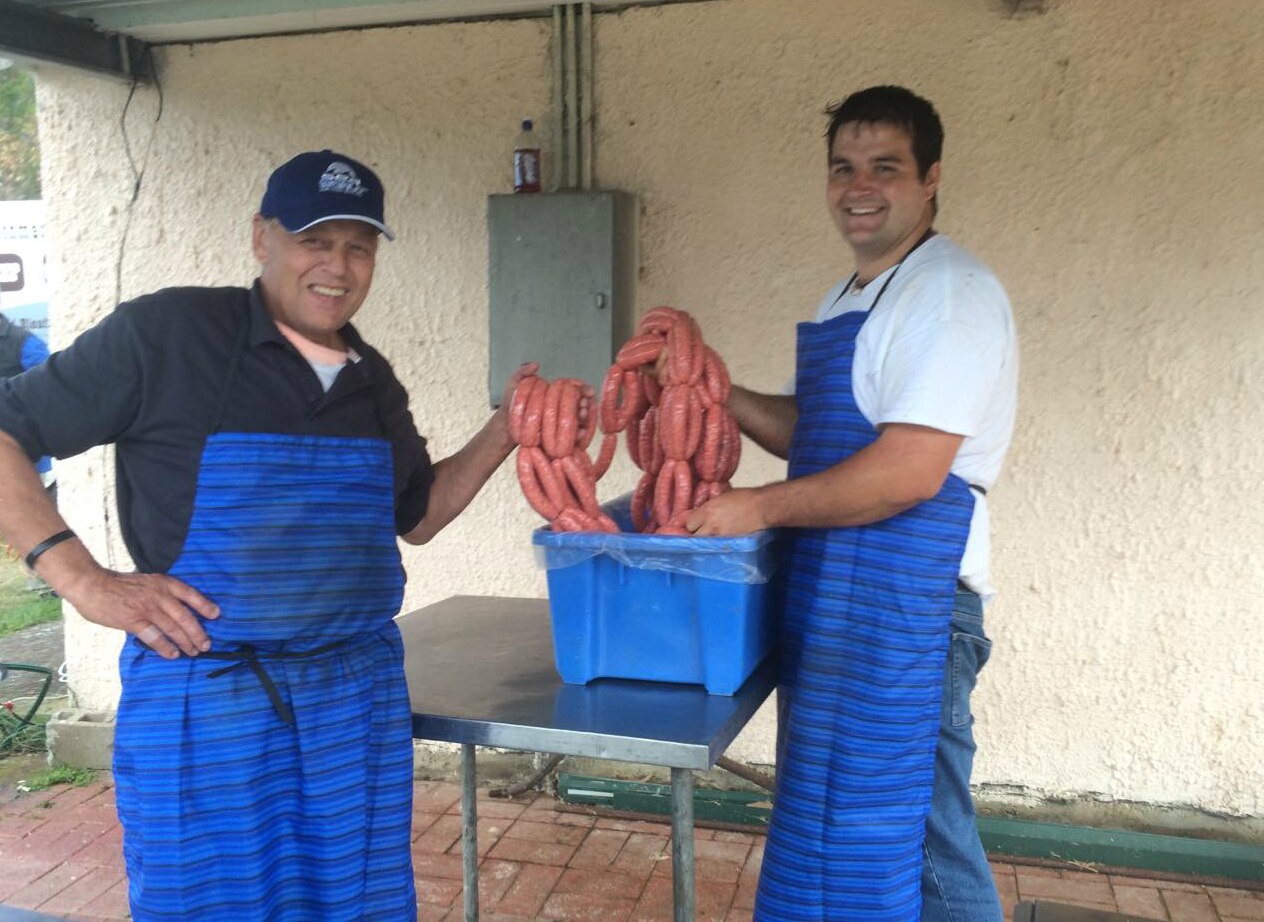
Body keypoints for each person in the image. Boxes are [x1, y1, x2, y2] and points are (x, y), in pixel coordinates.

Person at [0, 150, 537, 921]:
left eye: (359, 246)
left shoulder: (370, 378)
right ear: (263, 237)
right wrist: (81, 578)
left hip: (353, 705)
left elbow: (417, 516)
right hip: (209, 703)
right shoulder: (170, 335)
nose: (337, 265)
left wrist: (505, 428)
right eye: (315, 239)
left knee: (355, 906)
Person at [688, 86, 1018, 921]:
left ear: (931, 177)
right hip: (846, 599)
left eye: (885, 167)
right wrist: (712, 389)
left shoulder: (945, 294)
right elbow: (817, 430)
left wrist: (756, 508)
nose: (858, 187)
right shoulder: (855, 293)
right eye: (843, 168)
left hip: (912, 609)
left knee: (922, 842)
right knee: (840, 826)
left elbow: (908, 470)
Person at [0, 305, 55, 591]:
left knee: (29, 519)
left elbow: (47, 393)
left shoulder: (24, 343)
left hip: (20, 456)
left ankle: (43, 583)